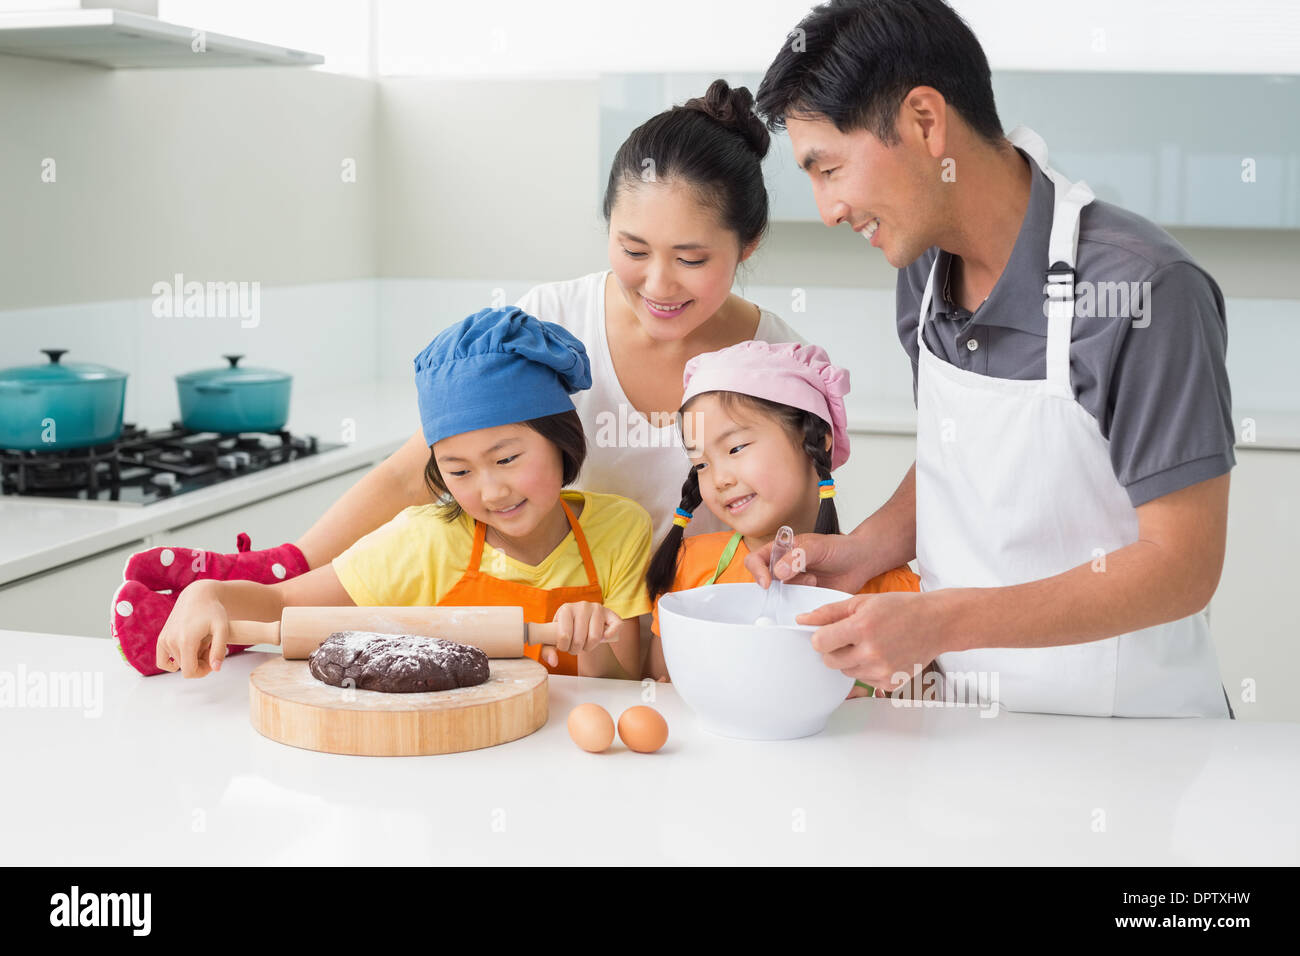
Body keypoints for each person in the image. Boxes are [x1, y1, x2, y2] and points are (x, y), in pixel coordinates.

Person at [111, 79, 808, 677]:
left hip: (682, 648)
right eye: (632, 249)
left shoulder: (776, 361)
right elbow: (414, 473)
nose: (657, 283)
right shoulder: (547, 320)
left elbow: (800, 532)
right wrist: (286, 570)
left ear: (747, 245)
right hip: (533, 646)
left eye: (691, 258)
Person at [747, 0, 1235, 718]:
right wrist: (864, 551)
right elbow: (970, 460)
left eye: (830, 168)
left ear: (923, 121)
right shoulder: (921, 267)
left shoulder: (1143, 291)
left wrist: (942, 620)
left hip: (1133, 744)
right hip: (970, 728)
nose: (827, 208)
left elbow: (1183, 566)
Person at [145, 308, 650, 681]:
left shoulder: (618, 530)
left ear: (560, 438)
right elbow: (282, 603)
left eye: (507, 459)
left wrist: (591, 641)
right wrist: (205, 592)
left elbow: (627, 687)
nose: (491, 491)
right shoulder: (425, 543)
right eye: (459, 471)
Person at [644, 341, 919, 693]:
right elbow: (661, 683)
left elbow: (918, 711)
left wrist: (861, 697)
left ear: (817, 440)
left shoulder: (889, 587)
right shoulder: (688, 567)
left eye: (736, 448)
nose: (719, 478)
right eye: (700, 464)